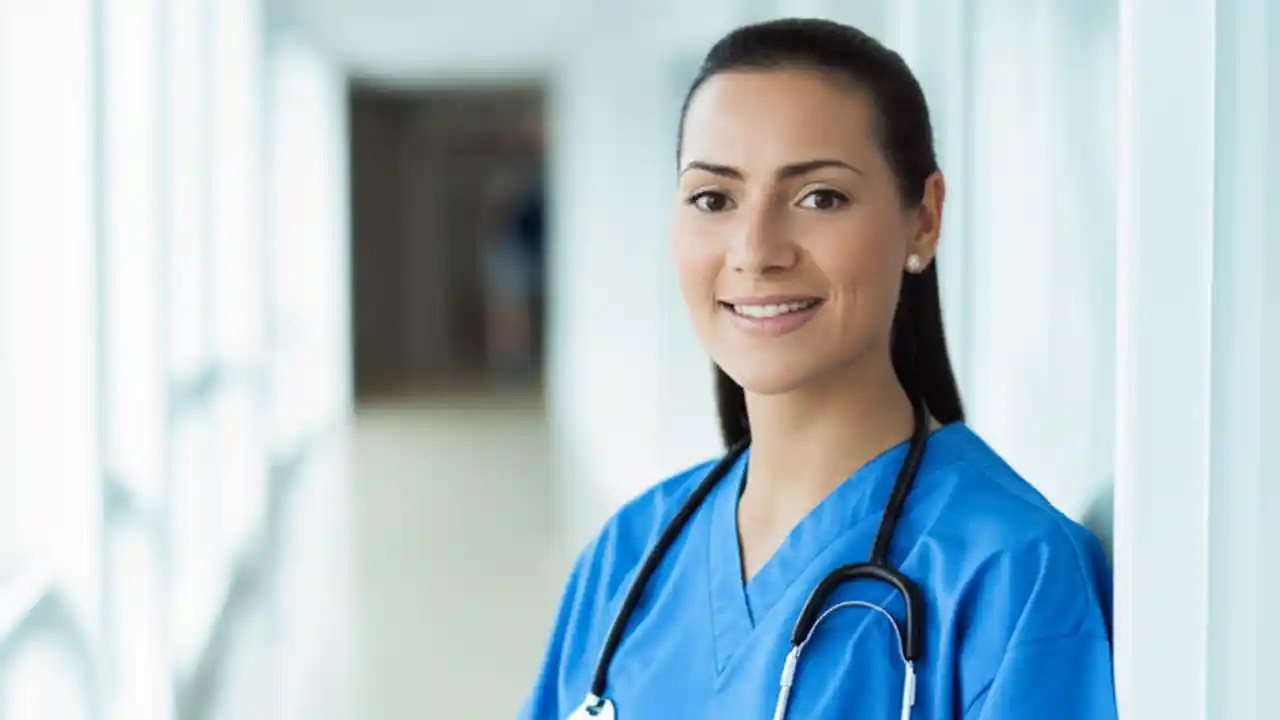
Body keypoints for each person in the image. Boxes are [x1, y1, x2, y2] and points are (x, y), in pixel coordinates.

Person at [519, 18, 1117, 719]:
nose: (756, 249)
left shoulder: (1012, 574)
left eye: (819, 197)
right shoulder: (628, 555)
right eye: (714, 198)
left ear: (923, 219)